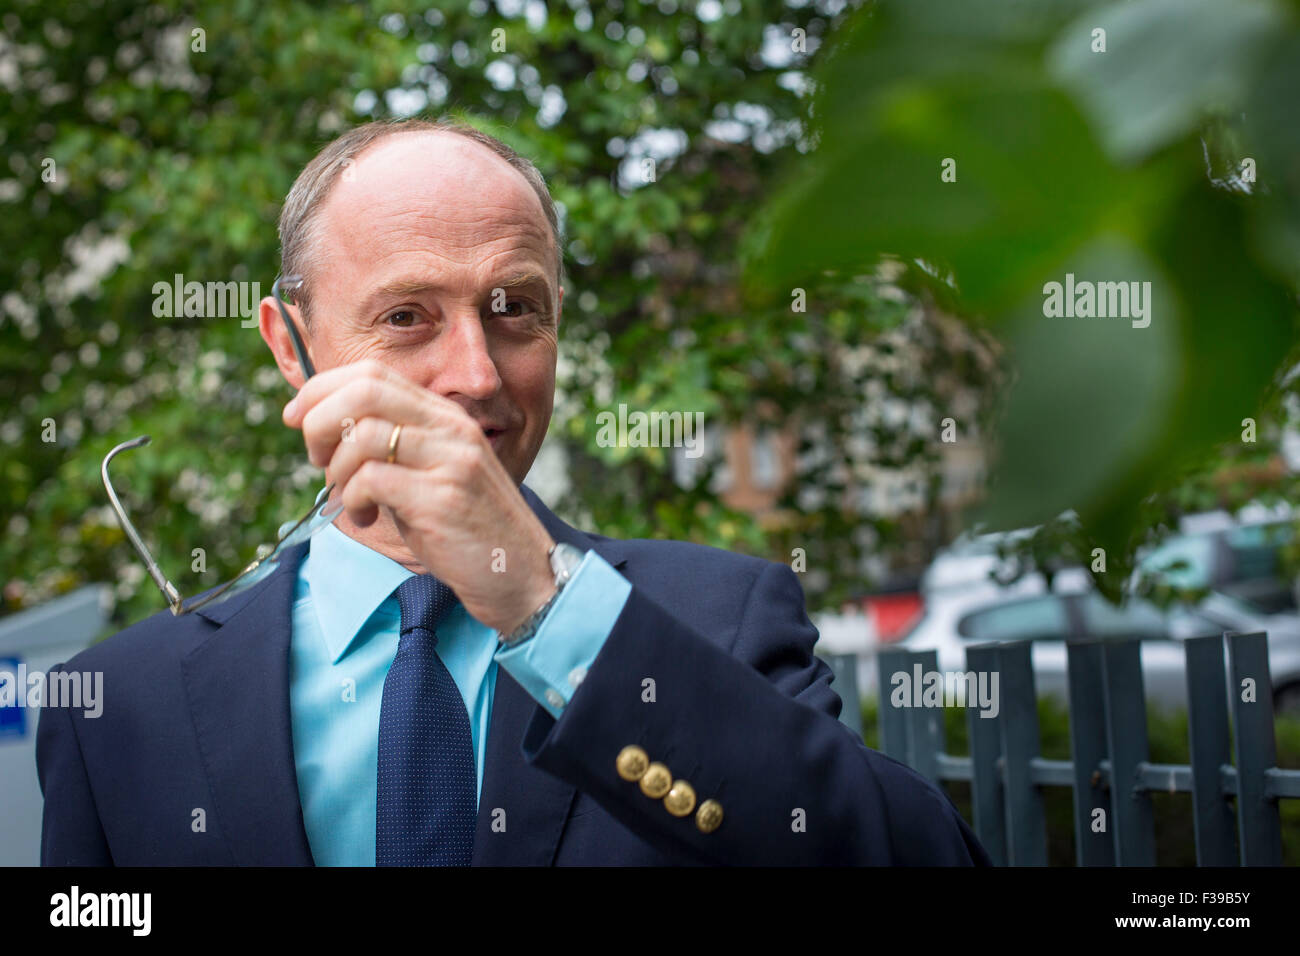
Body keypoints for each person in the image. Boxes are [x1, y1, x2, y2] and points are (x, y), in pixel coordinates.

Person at [37, 118, 990, 866]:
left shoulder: (719, 622)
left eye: (515, 310)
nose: (478, 375)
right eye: (407, 317)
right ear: (292, 347)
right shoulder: (121, 704)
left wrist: (548, 605)